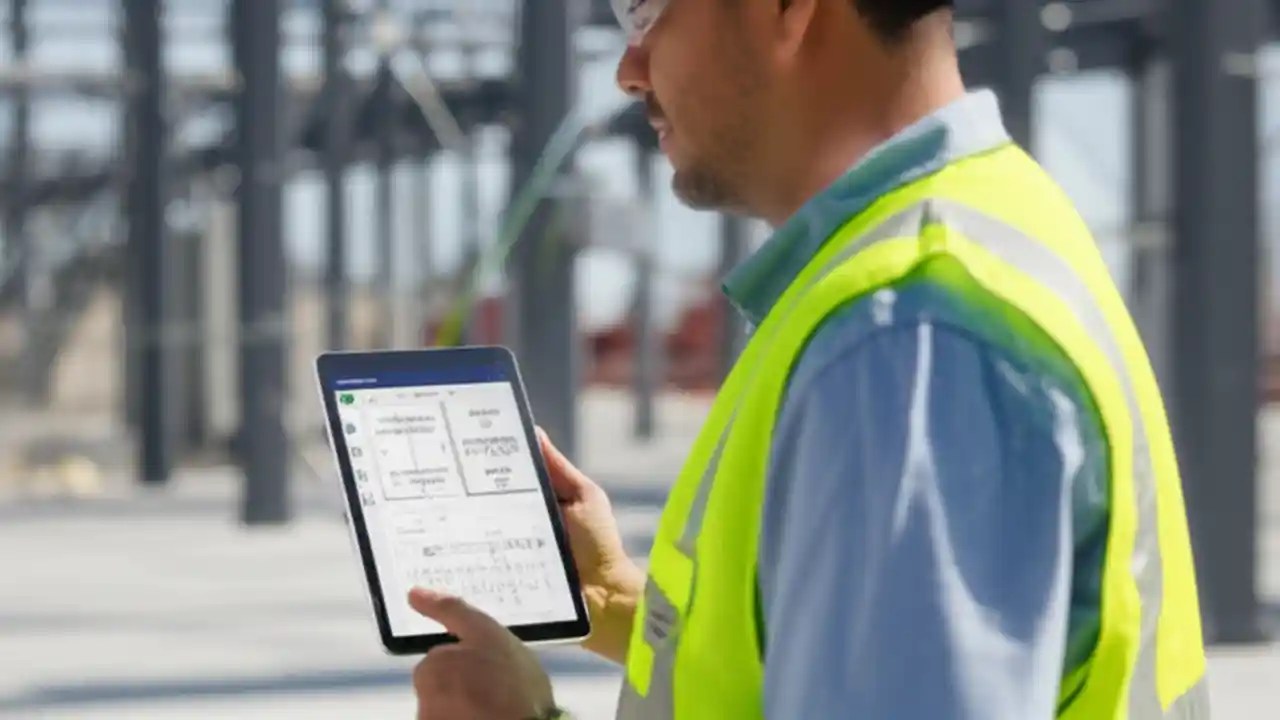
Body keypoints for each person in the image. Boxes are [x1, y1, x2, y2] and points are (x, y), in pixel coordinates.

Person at [407, 1, 1212, 718]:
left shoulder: (904, 337)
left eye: (644, 12)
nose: (629, 70)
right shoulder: (991, 214)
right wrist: (625, 603)